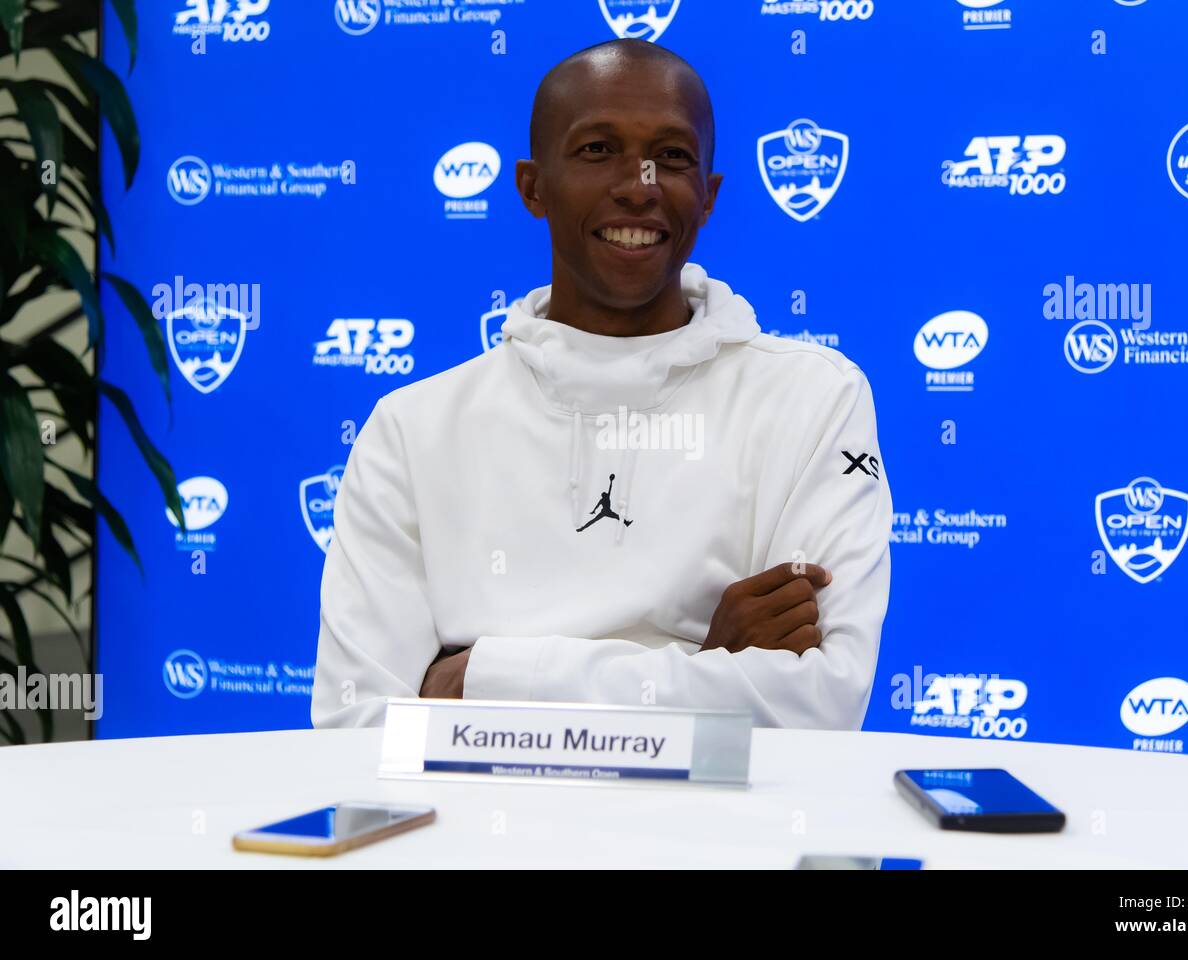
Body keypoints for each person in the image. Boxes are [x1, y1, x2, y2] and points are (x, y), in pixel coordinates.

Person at [310, 38, 891, 730]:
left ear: (708, 197)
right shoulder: (413, 429)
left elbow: (821, 704)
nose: (638, 184)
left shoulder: (813, 400)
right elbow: (361, 728)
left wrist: (488, 676)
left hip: (722, 840)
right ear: (532, 187)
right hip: (476, 838)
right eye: (597, 150)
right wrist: (706, 665)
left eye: (672, 157)